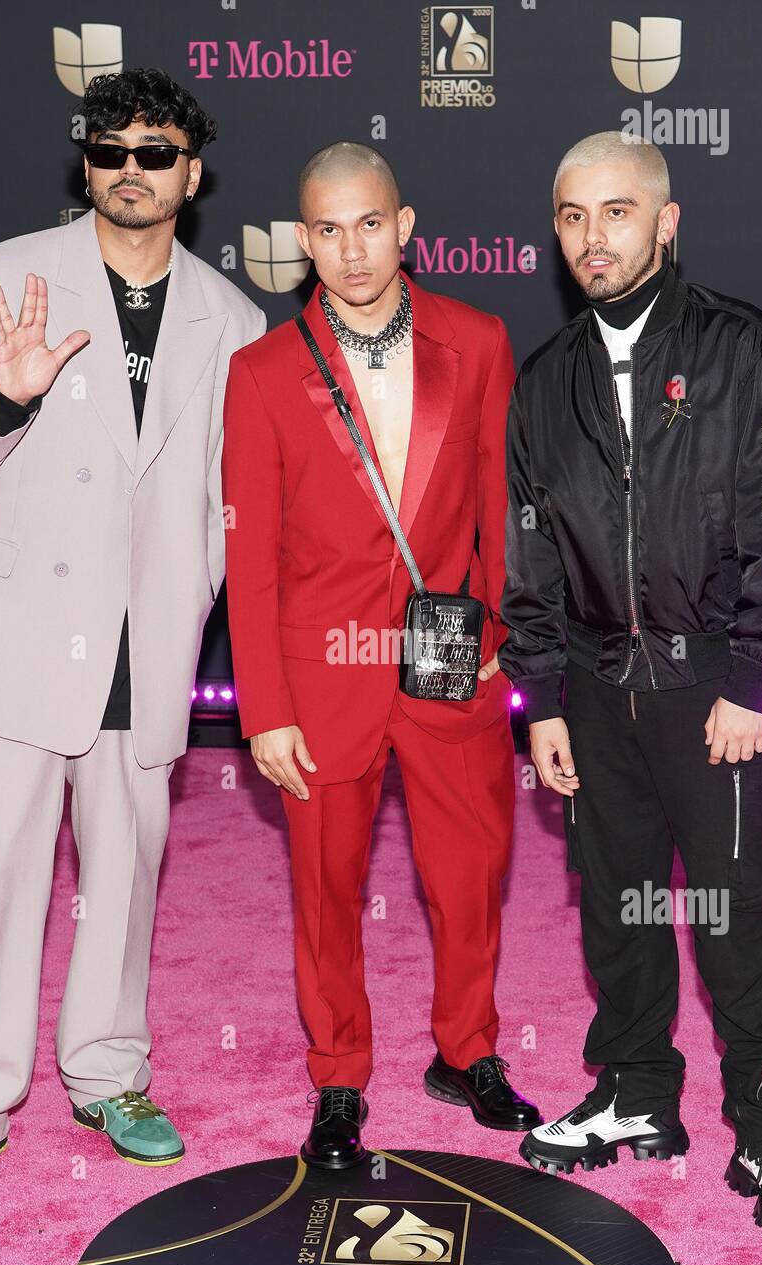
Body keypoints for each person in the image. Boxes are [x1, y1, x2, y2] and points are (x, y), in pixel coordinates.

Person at [0, 68, 265, 1206]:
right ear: (86, 166)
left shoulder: (236, 320)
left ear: (191, 175)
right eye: (111, 152)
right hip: (13, 637)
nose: (132, 172)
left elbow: (220, 501)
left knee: (125, 874)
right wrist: (6, 402)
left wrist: (195, 591)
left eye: (157, 154)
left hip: (141, 646)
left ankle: (110, 1074)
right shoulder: (6, 278)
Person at [500, 131, 762, 1241]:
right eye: (570, 216)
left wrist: (751, 676)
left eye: (614, 212)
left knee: (732, 916)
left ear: (665, 218)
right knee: (619, 908)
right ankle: (637, 1093)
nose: (591, 236)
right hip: (595, 694)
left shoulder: (751, 353)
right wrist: (541, 694)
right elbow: (531, 550)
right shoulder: (545, 380)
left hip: (713, 694)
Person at [222, 142, 540, 1169]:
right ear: (300, 241)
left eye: (370, 225)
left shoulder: (480, 339)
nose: (351, 251)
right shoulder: (261, 372)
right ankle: (339, 1075)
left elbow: (501, 506)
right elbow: (250, 549)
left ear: (406, 226)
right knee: (324, 888)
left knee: (470, 873)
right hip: (319, 680)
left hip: (453, 661)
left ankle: (467, 1052)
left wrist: (500, 637)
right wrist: (263, 705)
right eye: (327, 230)